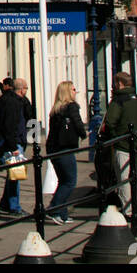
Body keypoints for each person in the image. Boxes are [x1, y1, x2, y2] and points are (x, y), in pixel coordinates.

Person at [102, 71, 137, 216]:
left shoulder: (117, 102)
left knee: (124, 179)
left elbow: (110, 123)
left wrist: (116, 137)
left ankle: (129, 211)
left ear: (120, 84)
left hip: (122, 146)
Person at [45, 80, 87, 223]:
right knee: (70, 182)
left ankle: (61, 213)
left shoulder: (56, 109)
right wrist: (83, 134)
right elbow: (77, 122)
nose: (76, 92)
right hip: (65, 148)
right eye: (74, 90)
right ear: (68, 92)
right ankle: (54, 209)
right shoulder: (71, 107)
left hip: (53, 148)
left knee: (63, 181)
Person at [0, 77, 28, 215]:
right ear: (21, 89)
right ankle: (14, 206)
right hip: (13, 143)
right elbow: (10, 125)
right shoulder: (13, 103)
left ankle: (5, 203)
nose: (26, 91)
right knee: (16, 175)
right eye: (26, 88)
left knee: (12, 174)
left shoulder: (5, 99)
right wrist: (13, 146)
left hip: (10, 141)